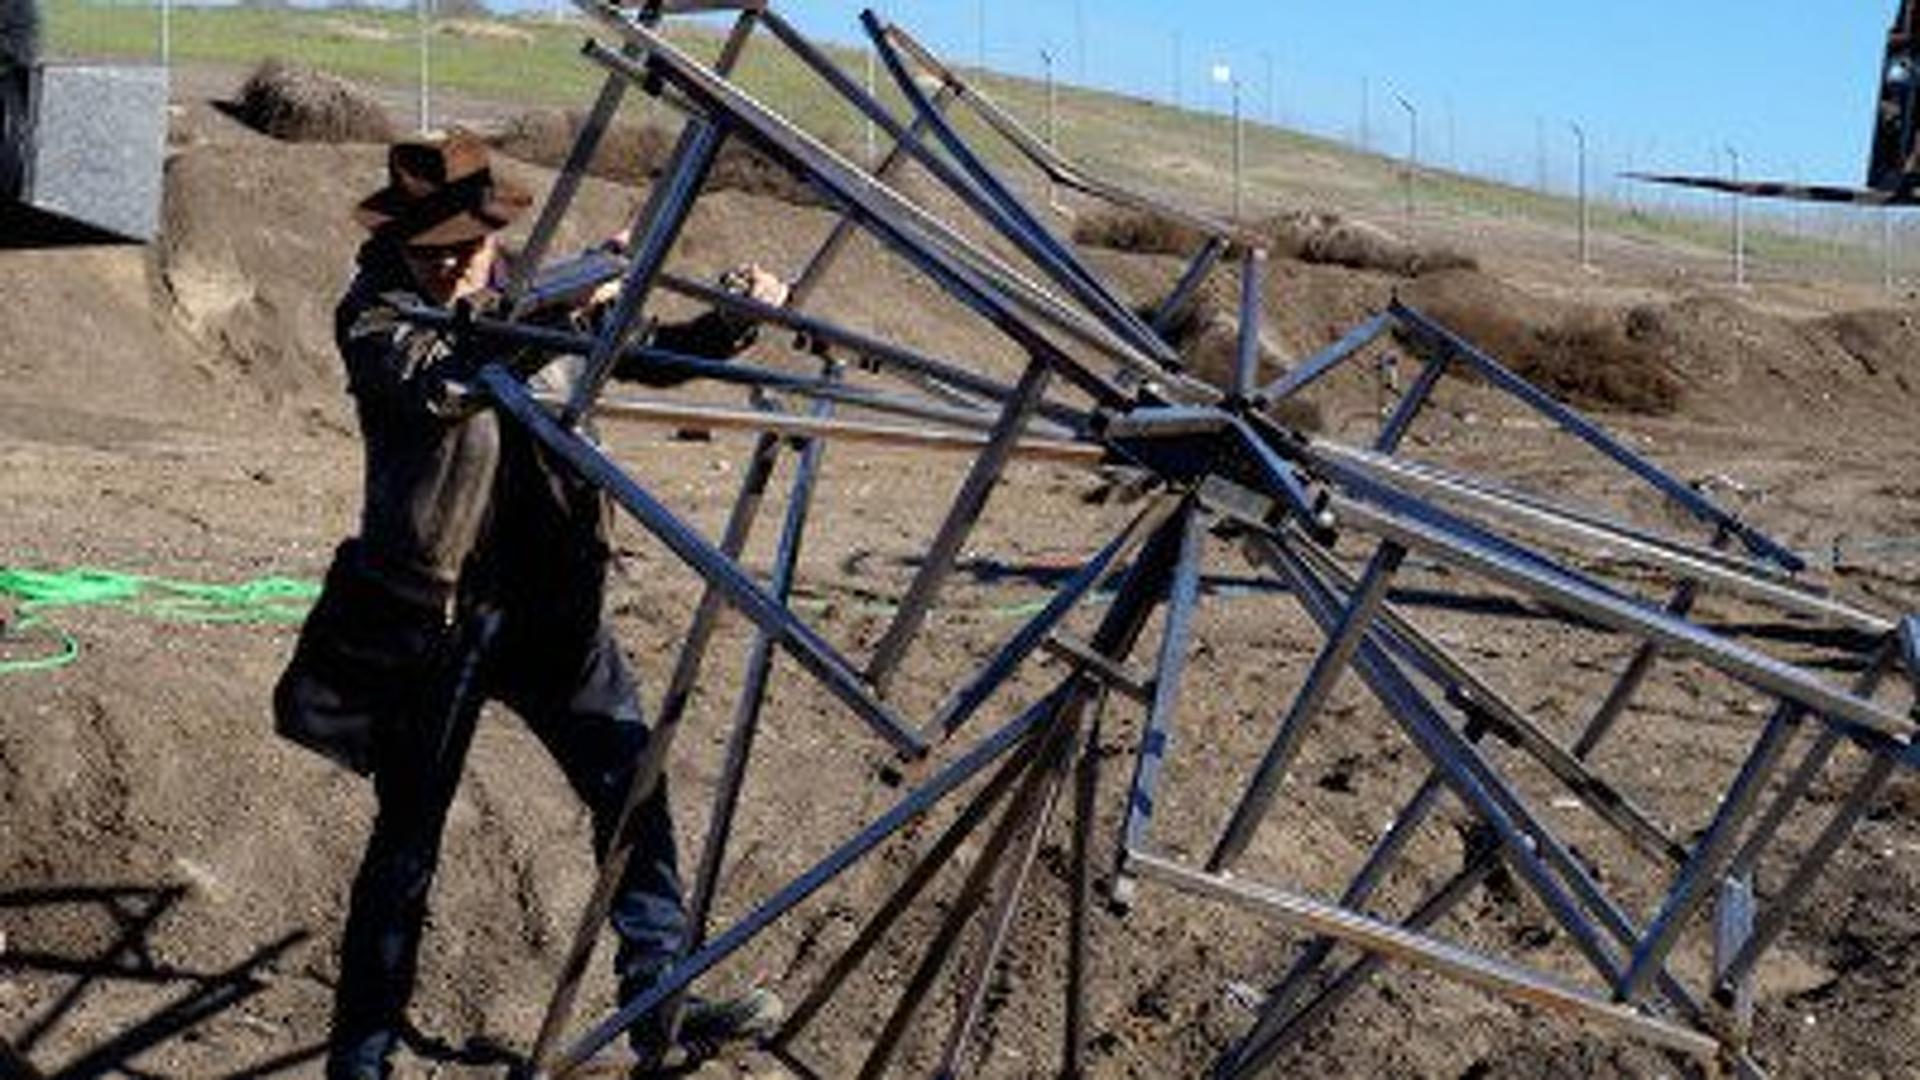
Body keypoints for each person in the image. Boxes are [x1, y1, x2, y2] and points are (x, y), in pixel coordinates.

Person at [274, 130, 785, 1080]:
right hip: (439, 617)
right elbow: (444, 384)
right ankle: (363, 1056)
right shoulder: (376, 315)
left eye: (467, 251)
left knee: (634, 786)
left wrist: (731, 320)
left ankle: (659, 1001)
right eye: (435, 256)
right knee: (408, 845)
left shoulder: (532, 290)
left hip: (557, 610)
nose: (453, 270)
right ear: (403, 246)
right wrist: (543, 303)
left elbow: (656, 357)